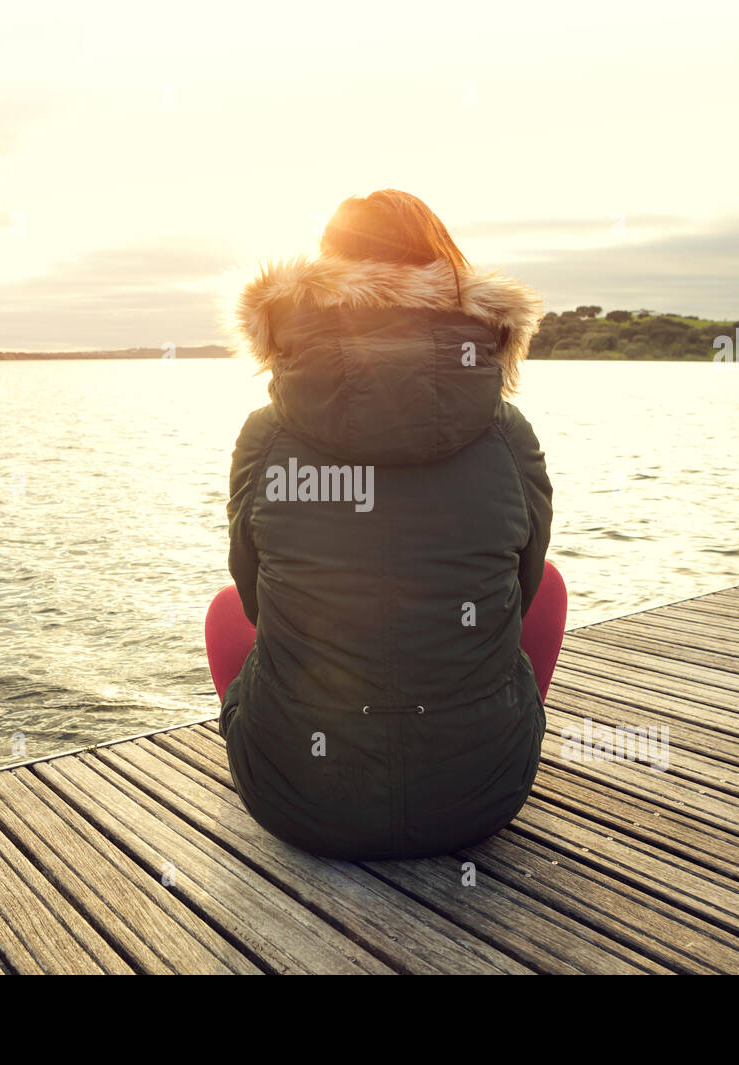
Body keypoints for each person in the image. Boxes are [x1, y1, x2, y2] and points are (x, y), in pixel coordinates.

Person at [205, 189, 563, 860]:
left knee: (227, 611)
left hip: (298, 802)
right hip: (481, 799)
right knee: (551, 586)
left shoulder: (266, 436)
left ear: (320, 282)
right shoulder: (507, 433)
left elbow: (254, 595)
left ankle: (286, 744)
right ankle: (486, 740)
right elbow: (524, 577)